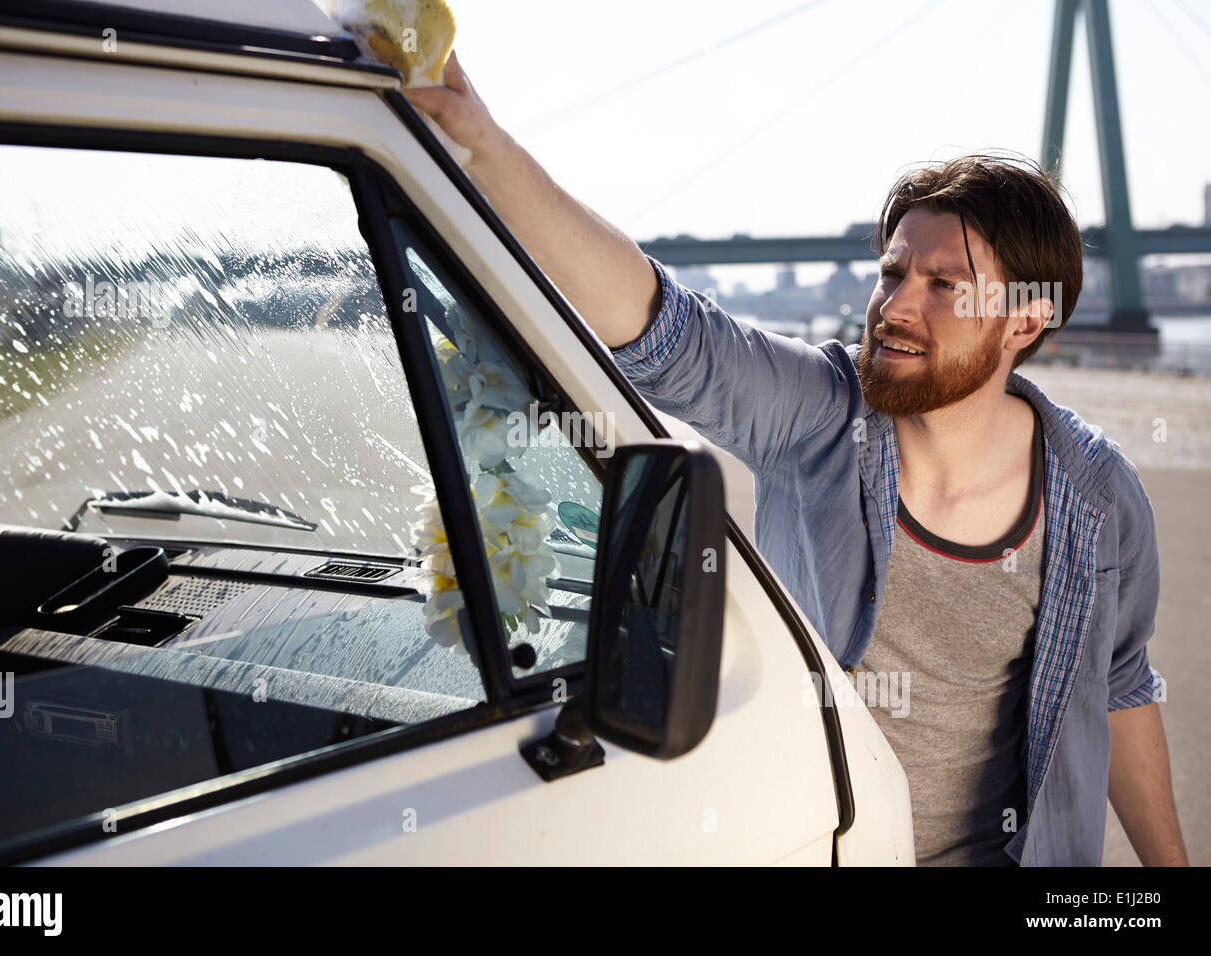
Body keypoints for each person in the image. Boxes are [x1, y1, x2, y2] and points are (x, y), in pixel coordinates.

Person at [404, 52, 1189, 867]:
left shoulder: (1098, 498)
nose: (895, 307)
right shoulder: (820, 413)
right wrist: (484, 147)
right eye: (892, 274)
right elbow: (671, 334)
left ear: (1024, 322)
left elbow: (1120, 687)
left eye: (943, 286)